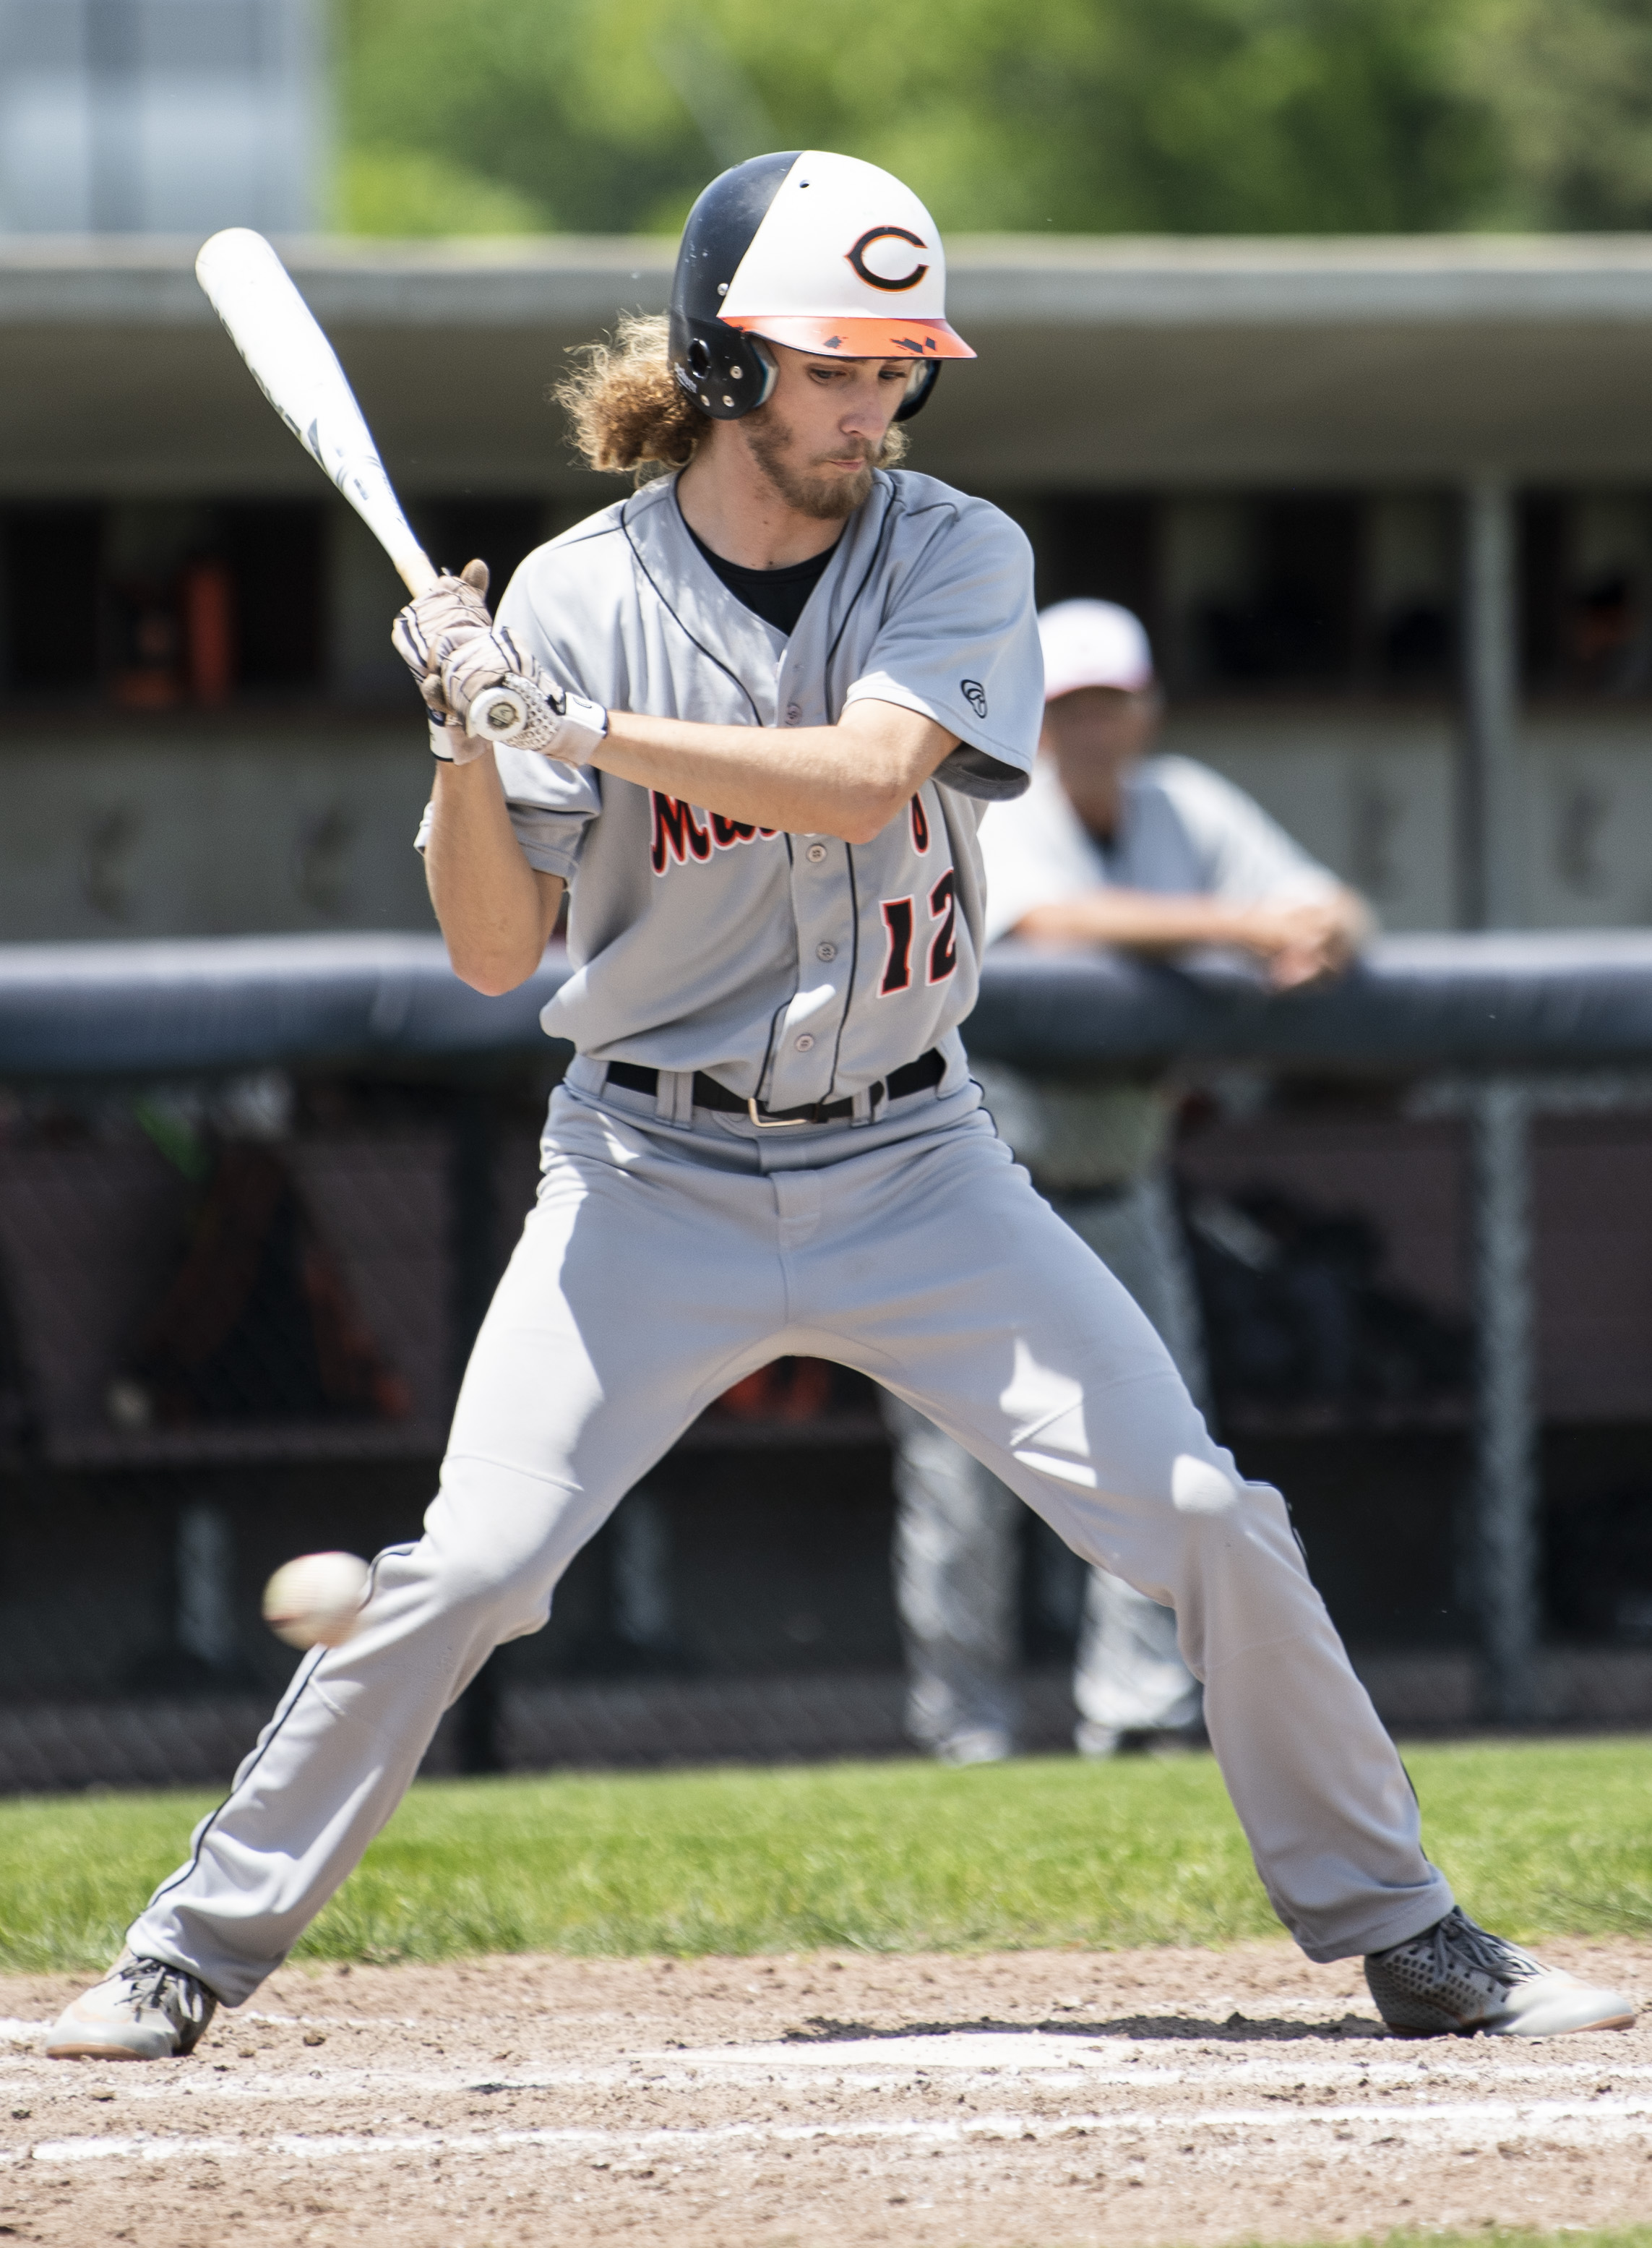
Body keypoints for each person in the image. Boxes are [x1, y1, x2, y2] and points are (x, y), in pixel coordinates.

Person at [47, 150, 1631, 2059]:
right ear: (725, 365)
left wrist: (568, 725)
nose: (868, 407)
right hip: (644, 1167)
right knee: (468, 1567)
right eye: (828, 369)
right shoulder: (571, 596)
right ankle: (185, 1954)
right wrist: (470, 738)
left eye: (895, 370)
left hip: (915, 1157)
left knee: (1207, 1512)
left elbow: (868, 777)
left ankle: (1405, 1930)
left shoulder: (952, 549)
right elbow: (487, 952)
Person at [892, 597, 1368, 1764]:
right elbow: (1051, 919)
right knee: (963, 1486)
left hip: (1121, 1186)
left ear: (1145, 707)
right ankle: (966, 1733)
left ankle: (1135, 1709)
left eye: (1109, 702)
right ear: (1032, 717)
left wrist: (1315, 933)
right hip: (974, 1200)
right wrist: (1246, 929)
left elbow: (1333, 903)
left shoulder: (1186, 806)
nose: (1091, 727)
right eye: (1068, 706)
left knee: (1160, 1458)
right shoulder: (991, 797)